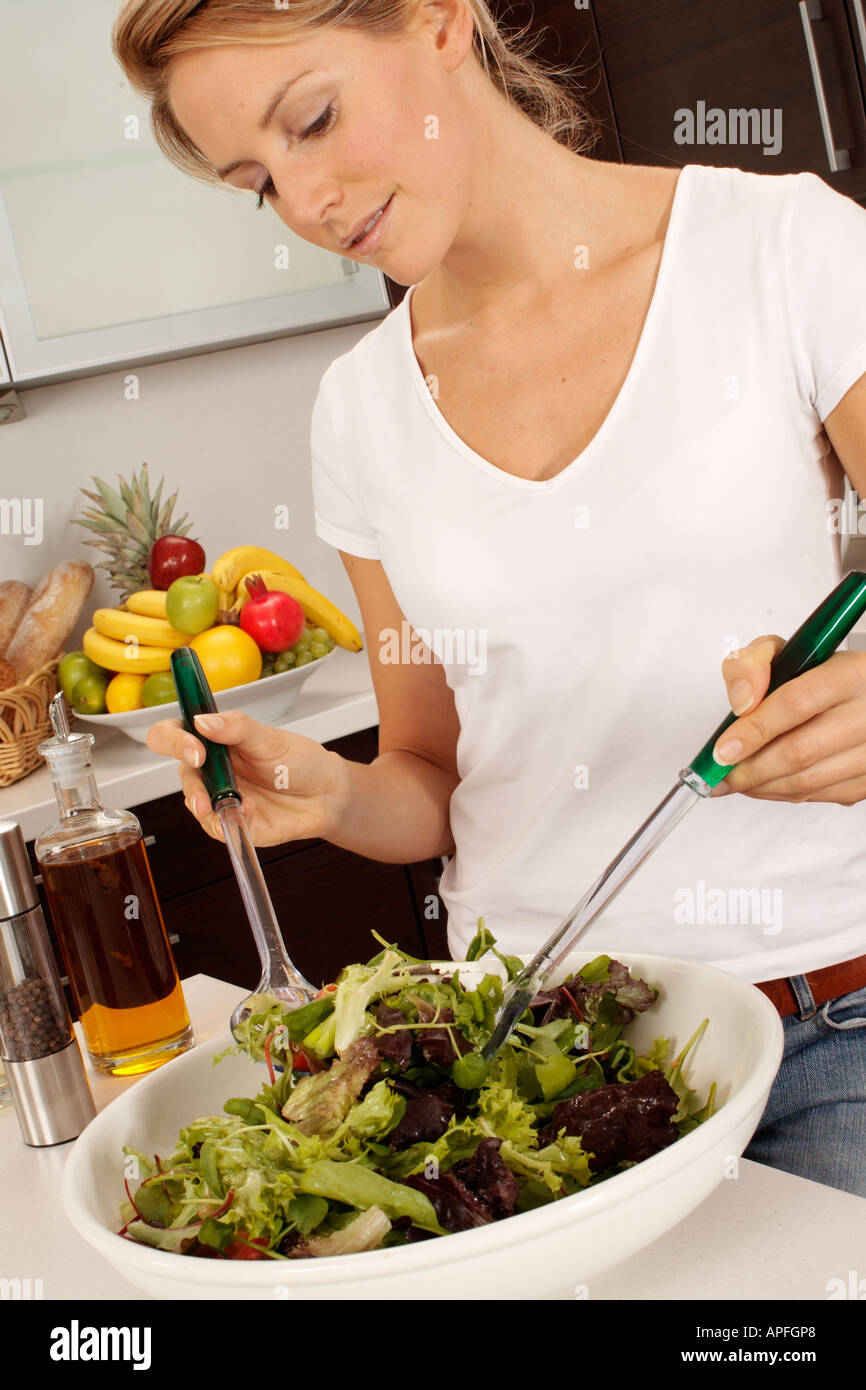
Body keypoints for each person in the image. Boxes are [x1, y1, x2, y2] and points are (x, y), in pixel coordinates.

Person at [114, 0, 866, 1197]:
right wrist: (332, 794)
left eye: (311, 119)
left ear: (436, 20)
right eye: (258, 180)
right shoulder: (359, 409)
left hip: (821, 1034)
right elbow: (432, 781)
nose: (304, 202)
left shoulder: (782, 249)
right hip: (521, 1060)